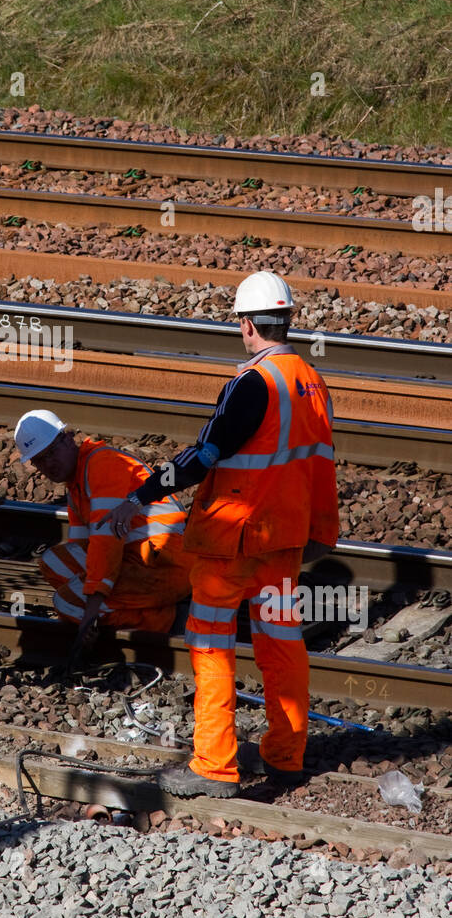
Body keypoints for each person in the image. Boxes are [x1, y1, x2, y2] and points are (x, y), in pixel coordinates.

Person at [104, 271, 339, 797]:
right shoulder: (310, 380)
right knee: (281, 645)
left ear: (248, 325)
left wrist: (141, 495)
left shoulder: (253, 384)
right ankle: (286, 756)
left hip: (232, 540)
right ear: (288, 320)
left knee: (210, 646)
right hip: (283, 542)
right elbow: (321, 463)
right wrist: (322, 531)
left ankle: (214, 765)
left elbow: (203, 457)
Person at [14, 410, 192, 654]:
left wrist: (90, 609)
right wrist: (89, 597)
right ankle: (138, 609)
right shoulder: (76, 486)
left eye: (52, 452)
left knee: (65, 602)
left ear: (68, 438)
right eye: (40, 460)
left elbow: (106, 541)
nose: (49, 464)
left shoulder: (102, 464)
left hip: (167, 565)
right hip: (138, 559)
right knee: (52, 563)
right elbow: (83, 549)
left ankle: (160, 619)